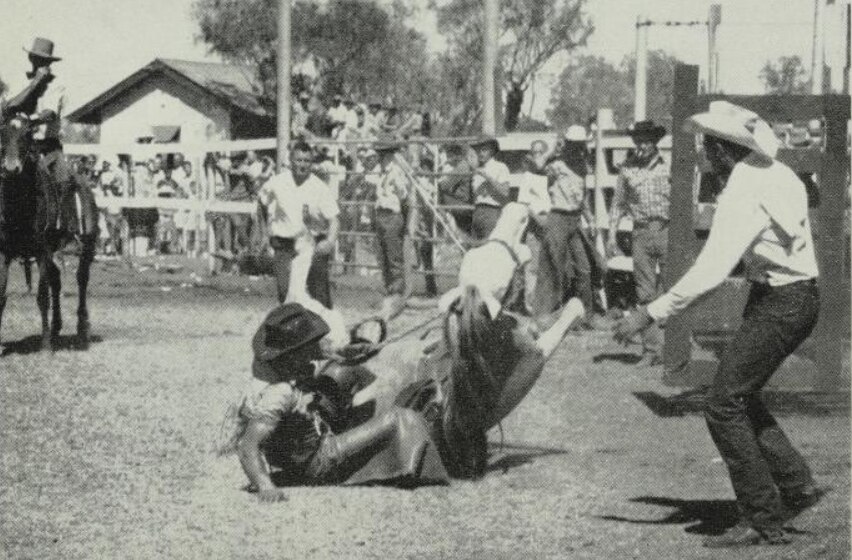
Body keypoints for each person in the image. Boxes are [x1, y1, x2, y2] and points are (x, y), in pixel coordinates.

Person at [614, 101, 824, 548]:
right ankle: (795, 484)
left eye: (709, 146)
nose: (706, 155)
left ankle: (762, 516)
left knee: (722, 404)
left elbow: (710, 271)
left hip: (781, 300)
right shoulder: (776, 173)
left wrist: (650, 312)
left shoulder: (743, 189)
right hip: (792, 295)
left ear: (724, 150)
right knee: (738, 395)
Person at [218, 303, 448, 502]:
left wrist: (345, 352)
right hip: (318, 460)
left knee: (344, 371)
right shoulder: (278, 394)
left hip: (301, 441)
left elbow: (323, 352)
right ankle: (429, 473)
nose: (315, 348)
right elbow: (248, 447)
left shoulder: (273, 372)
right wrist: (265, 486)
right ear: (294, 354)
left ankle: (364, 429)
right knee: (399, 417)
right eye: (309, 346)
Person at [609, 120, 671, 366]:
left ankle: (674, 349)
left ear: (655, 142)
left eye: (647, 140)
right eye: (638, 140)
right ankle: (651, 350)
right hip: (641, 233)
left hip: (668, 230)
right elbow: (618, 204)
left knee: (672, 287)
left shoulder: (670, 167)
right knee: (644, 291)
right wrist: (612, 235)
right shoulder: (627, 169)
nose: (642, 145)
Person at [257, 140, 340, 313]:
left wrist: (330, 241)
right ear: (291, 161)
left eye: (306, 161)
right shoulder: (277, 182)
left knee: (318, 294)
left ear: (311, 163)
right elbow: (261, 203)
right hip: (284, 243)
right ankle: (292, 333)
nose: (302, 165)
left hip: (312, 244)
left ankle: (327, 330)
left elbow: (334, 219)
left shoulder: (319, 187)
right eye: (298, 160)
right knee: (285, 291)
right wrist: (265, 233)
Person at [534, 126, 600, 327]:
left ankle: (586, 316)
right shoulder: (557, 165)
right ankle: (548, 315)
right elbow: (538, 165)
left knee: (584, 269)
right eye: (573, 144)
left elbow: (583, 197)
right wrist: (553, 150)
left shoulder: (582, 166)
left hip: (575, 220)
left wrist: (591, 218)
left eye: (579, 145)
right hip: (558, 219)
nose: (576, 148)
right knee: (554, 267)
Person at [372, 142, 409, 319]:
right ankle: (389, 291)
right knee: (382, 254)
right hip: (380, 214)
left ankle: (396, 294)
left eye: (382, 153)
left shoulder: (395, 172)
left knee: (393, 255)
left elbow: (403, 194)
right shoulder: (381, 172)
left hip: (392, 215)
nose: (380, 157)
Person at [469, 136, 511, 239]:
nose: (480, 153)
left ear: (492, 151)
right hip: (477, 211)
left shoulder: (500, 167)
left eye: (484, 150)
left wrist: (487, 178)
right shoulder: (477, 170)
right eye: (478, 150)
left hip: (492, 211)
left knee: (490, 246)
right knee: (476, 247)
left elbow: (505, 192)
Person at [437, 144, 474, 235]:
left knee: (437, 196)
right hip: (463, 200)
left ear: (456, 156)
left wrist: (436, 176)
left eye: (449, 157)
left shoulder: (462, 167)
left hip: (463, 202)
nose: (448, 161)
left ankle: (443, 223)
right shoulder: (464, 165)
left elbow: (443, 185)